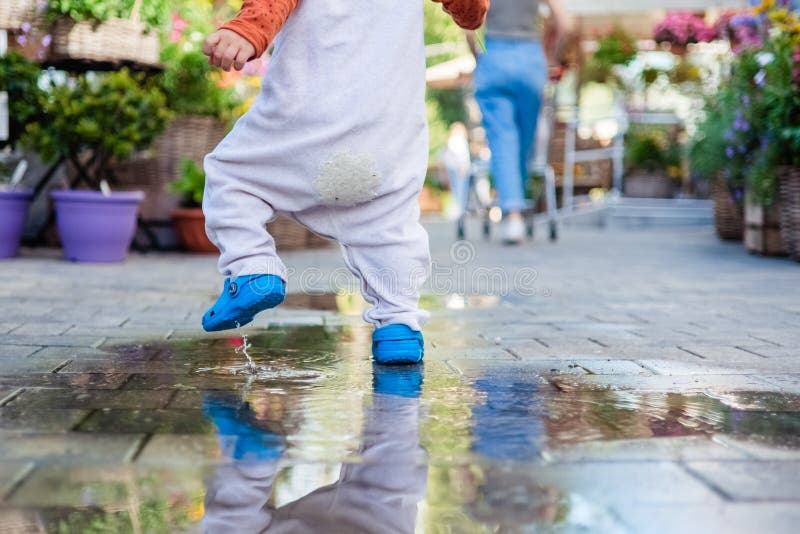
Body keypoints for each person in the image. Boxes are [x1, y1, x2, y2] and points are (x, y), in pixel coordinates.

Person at [198, 0, 489, 364]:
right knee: (389, 227)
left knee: (231, 174)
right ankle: (398, 323)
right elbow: (472, 11)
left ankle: (253, 267)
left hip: (306, 121)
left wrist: (246, 31)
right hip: (386, 136)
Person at [467, 0, 570, 244]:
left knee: (503, 138)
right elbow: (565, 23)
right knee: (525, 140)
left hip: (494, 55)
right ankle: (517, 207)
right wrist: (552, 57)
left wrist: (479, 57)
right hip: (530, 59)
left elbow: (468, 23)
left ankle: (512, 214)